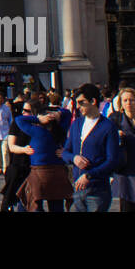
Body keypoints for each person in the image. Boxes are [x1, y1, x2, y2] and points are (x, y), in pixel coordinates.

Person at [62, 82, 122, 213]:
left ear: (93, 101)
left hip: (97, 190)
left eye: (81, 102)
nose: (78, 107)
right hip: (77, 188)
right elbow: (65, 152)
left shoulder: (108, 127)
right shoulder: (76, 124)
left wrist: (90, 175)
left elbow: (112, 160)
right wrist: (74, 158)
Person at [15, 94, 73, 212]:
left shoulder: (37, 131)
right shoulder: (61, 130)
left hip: (40, 172)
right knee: (56, 206)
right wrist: (58, 114)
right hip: (58, 172)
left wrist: (37, 119)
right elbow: (68, 113)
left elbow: (19, 119)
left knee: (34, 205)